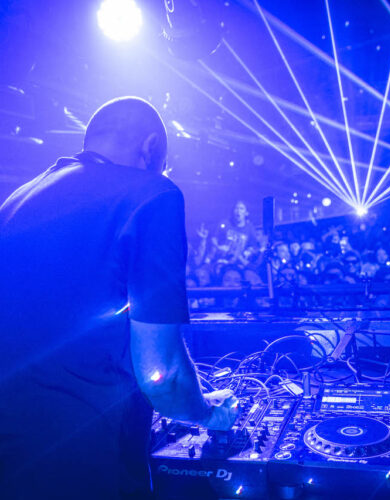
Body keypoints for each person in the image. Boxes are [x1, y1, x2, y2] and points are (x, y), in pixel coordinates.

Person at [0, 97, 238, 500]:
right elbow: (163, 378)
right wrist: (208, 413)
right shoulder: (153, 193)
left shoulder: (17, 201)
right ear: (150, 147)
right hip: (87, 464)